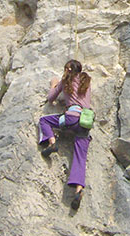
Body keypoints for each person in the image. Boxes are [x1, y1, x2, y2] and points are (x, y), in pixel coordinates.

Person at [38, 59, 92, 209]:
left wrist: (54, 84)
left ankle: (52, 142)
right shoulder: (86, 81)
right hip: (84, 122)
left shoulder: (65, 81)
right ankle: (78, 189)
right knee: (80, 157)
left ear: (67, 70)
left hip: (70, 119)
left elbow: (51, 99)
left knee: (44, 121)